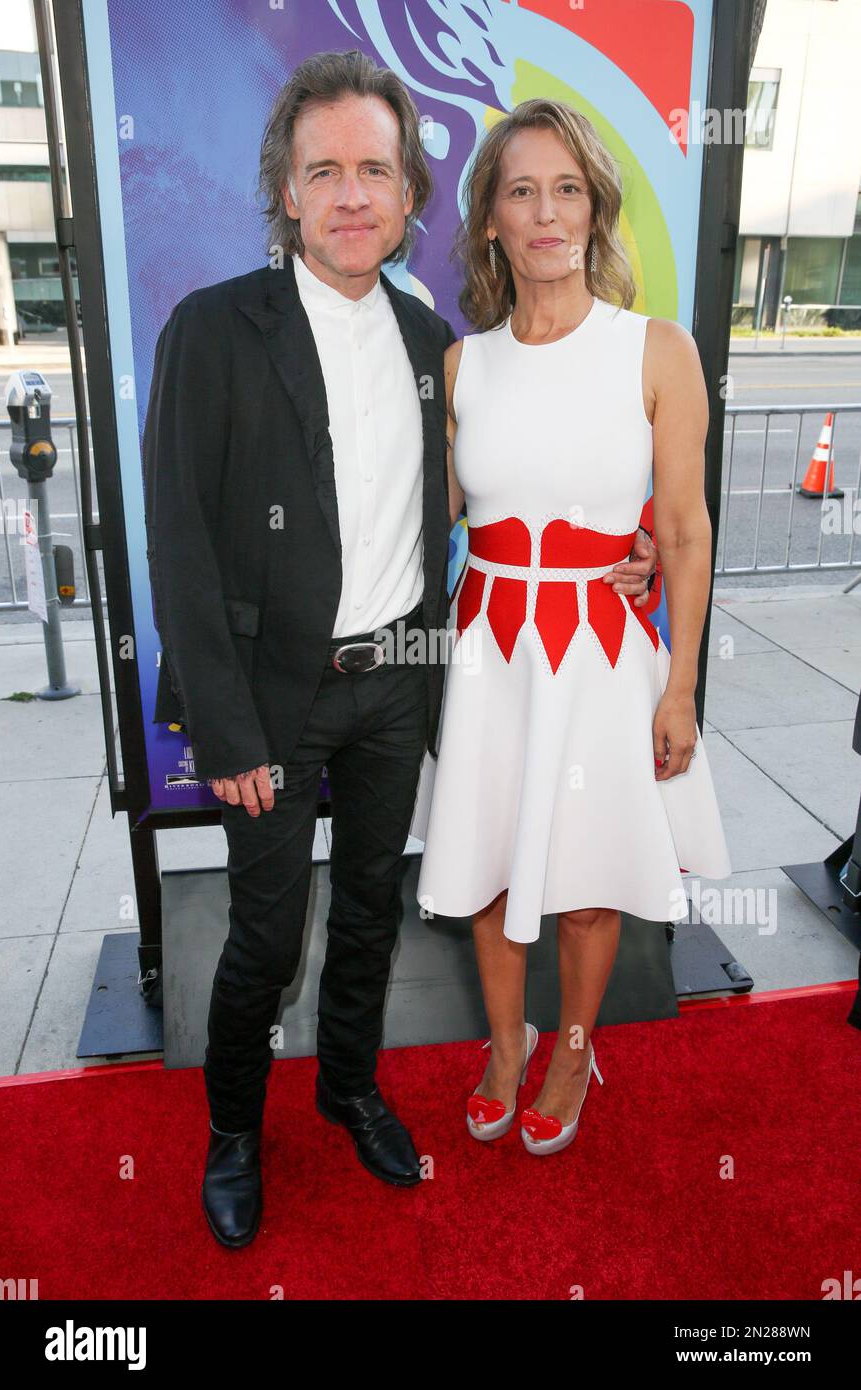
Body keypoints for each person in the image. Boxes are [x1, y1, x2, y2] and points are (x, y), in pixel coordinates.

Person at [142, 55, 657, 1248]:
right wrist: (221, 728)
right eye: (323, 170)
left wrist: (629, 553)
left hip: (398, 687)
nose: (351, 193)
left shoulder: (438, 342)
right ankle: (232, 1131)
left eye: (374, 168)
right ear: (285, 191)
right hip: (269, 701)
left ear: (409, 191)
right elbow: (179, 545)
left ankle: (349, 1087)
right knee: (267, 936)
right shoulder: (212, 328)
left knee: (373, 907)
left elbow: (522, 482)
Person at [411, 98, 732, 1157]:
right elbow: (423, 523)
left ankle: (573, 1047)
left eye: (565, 188)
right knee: (492, 863)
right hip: (489, 656)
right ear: (489, 220)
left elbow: (682, 532)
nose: (544, 212)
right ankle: (507, 1043)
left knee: (586, 876)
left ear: (594, 207)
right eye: (519, 190)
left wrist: (680, 685)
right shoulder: (463, 366)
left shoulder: (656, 350)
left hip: (600, 658)